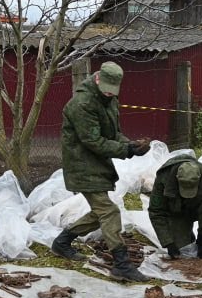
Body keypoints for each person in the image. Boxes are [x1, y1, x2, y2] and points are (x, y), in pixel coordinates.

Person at [50, 61, 152, 282]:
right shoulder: (81, 104)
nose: (109, 93)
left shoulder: (110, 99)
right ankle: (121, 265)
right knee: (109, 212)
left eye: (112, 90)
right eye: (106, 88)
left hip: (97, 164)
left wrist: (132, 145)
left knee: (100, 213)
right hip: (81, 164)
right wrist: (126, 150)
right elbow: (93, 141)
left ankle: (62, 242)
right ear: (97, 78)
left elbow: (113, 134)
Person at [148, 154, 202, 260]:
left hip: (200, 208)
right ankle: (187, 235)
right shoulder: (163, 178)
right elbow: (156, 211)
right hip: (176, 213)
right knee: (181, 250)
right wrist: (168, 242)